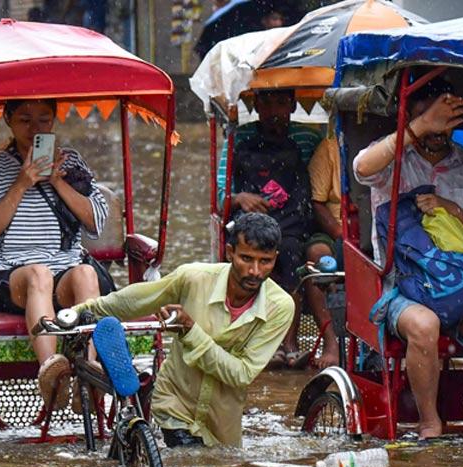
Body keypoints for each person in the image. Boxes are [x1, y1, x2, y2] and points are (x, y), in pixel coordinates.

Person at [353, 77, 463, 440]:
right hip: (405, 287)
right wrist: (420, 125)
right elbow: (362, 169)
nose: (438, 129)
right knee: (423, 325)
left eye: (445, 119)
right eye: (430, 117)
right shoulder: (393, 158)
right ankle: (429, 423)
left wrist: (452, 211)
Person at [76, 213, 295, 448]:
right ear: (230, 252)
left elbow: (241, 374)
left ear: (275, 259)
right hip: (175, 402)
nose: (255, 271)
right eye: (246, 258)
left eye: (265, 261)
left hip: (222, 421)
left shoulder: (280, 307)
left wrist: (191, 330)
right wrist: (81, 311)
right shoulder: (194, 278)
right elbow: (138, 299)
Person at [0, 98, 110, 410]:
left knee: (86, 273)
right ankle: (52, 374)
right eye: (25, 120)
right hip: (10, 272)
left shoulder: (72, 164)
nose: (35, 129)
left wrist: (57, 181)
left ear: (54, 121)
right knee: (38, 274)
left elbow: (95, 220)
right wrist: (22, 182)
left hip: (65, 269)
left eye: (44, 120)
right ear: (8, 120)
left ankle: (88, 370)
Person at [222, 88, 322, 367]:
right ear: (255, 106)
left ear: (292, 104)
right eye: (266, 103)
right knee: (249, 258)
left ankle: (289, 343)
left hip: (291, 224)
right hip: (249, 224)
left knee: (290, 255)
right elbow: (220, 195)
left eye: (280, 103)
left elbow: (313, 191)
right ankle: (248, 339)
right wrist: (240, 198)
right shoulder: (239, 140)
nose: (273, 111)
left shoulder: (308, 140)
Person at [306, 134, 343, 368]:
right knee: (317, 256)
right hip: (334, 232)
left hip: (383, 230)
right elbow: (316, 202)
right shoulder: (330, 147)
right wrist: (342, 235)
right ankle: (331, 342)